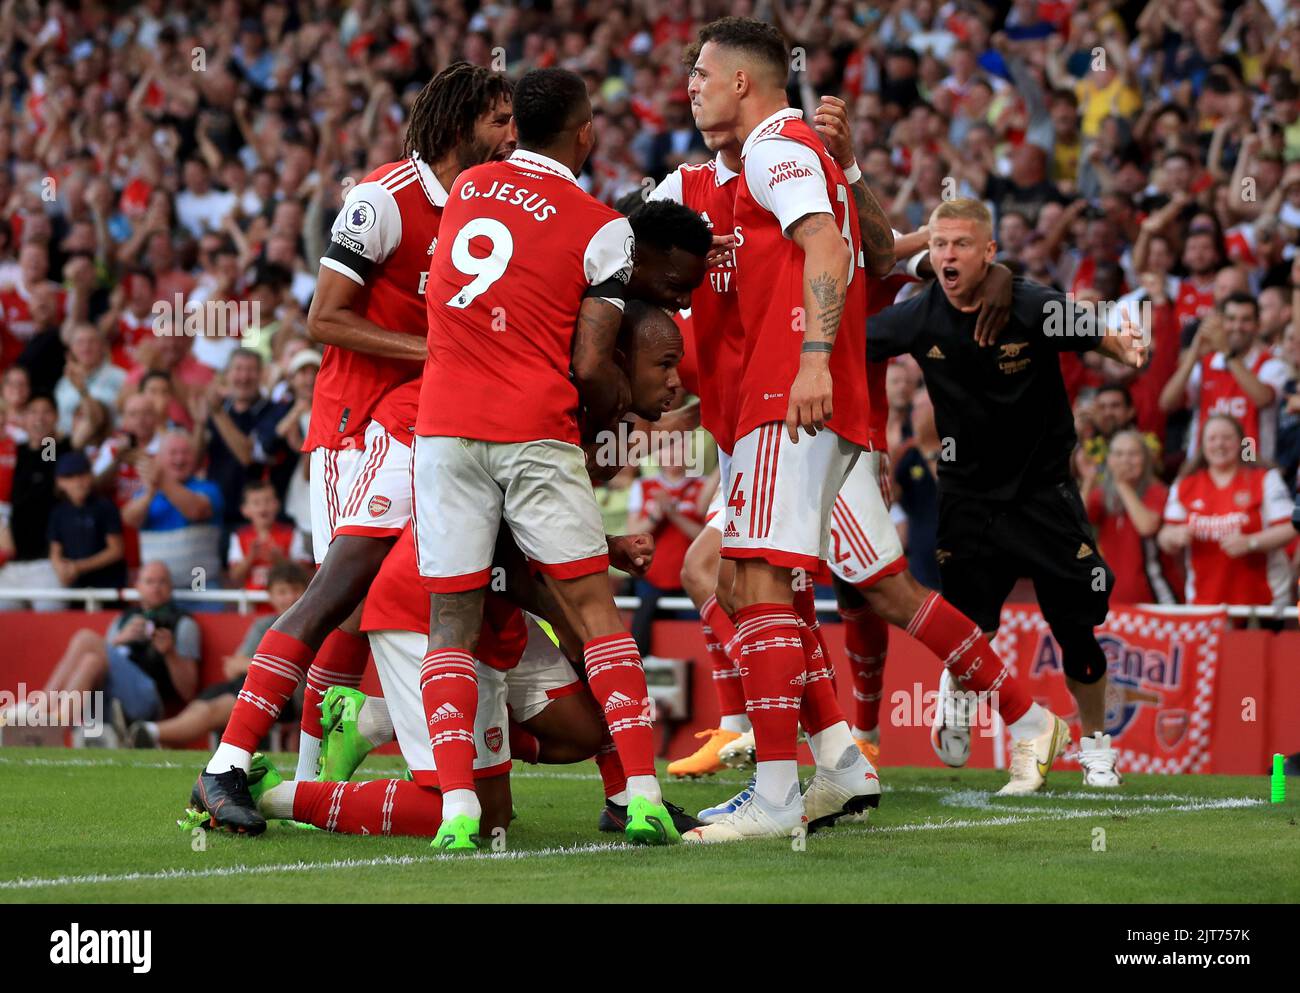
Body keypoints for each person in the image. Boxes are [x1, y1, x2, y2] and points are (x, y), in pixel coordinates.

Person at [191, 64, 518, 834]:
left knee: (349, 605)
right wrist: (438, 351)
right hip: (356, 424)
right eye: (499, 121)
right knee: (336, 597)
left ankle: (288, 782)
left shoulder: (485, 205)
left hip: (419, 418)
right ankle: (232, 763)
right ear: (458, 123)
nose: (512, 136)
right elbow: (324, 319)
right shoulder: (381, 201)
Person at [410, 67, 691, 850]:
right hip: (533, 425)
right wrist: (615, 412)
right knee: (595, 615)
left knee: (451, 623)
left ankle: (460, 812)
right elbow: (595, 359)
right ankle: (640, 796)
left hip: (444, 427)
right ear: (586, 132)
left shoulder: (466, 188)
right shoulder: (602, 223)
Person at [867, 197, 1147, 790]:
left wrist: (1127, 347)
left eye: (962, 245)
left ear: (989, 251)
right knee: (971, 622)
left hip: (1044, 492)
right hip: (967, 493)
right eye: (940, 244)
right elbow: (858, 317)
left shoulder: (1030, 303)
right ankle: (959, 691)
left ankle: (1096, 746)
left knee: (1076, 631)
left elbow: (1097, 336)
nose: (948, 255)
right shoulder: (918, 316)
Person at [129, 563, 310, 749]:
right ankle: (153, 735)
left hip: (283, 698)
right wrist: (262, 667)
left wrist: (251, 665)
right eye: (282, 592)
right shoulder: (263, 625)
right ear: (271, 596)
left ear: (307, 592)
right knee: (204, 703)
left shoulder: (313, 627)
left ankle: (151, 732)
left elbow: (296, 675)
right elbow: (231, 668)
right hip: (249, 685)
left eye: (295, 590)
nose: (289, 597)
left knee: (215, 709)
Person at [43, 562, 200, 732]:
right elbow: (105, 657)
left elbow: (189, 691)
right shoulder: (123, 619)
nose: (156, 588)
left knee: (85, 638)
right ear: (138, 586)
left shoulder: (183, 623)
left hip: (149, 699)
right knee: (91, 661)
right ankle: (57, 723)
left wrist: (170, 654)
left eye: (162, 582)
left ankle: (40, 706)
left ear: (170, 587)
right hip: (111, 697)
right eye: (149, 582)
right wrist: (121, 639)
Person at [1157, 414, 1296, 607]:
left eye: (1227, 438)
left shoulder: (1265, 478)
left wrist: (1251, 543)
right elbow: (1164, 536)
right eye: (1212, 438)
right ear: (1202, 445)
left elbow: (1290, 528)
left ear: (1241, 443)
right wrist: (1173, 536)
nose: (1219, 444)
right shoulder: (1184, 484)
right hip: (1204, 602)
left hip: (1263, 601)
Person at [1159, 293, 1290, 462]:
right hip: (1205, 466)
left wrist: (1227, 352)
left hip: (1250, 463)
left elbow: (1262, 399)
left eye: (1246, 320)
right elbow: (1166, 403)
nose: (1237, 326)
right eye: (1231, 319)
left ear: (1257, 325)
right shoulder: (1206, 365)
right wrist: (1194, 352)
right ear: (1222, 323)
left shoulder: (1271, 365)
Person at [1081, 428, 1180, 605]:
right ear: (1109, 460)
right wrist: (1088, 480)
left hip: (1155, 598)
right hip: (1112, 598)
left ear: (1145, 460)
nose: (1125, 460)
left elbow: (1147, 526)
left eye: (1133, 454)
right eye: (1118, 454)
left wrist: (1121, 483)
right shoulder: (1103, 493)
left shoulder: (1157, 491)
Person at [121, 430, 224, 591]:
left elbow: (196, 510)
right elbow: (129, 518)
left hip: (200, 586)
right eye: (173, 453)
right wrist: (150, 493)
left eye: (186, 453)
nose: (179, 458)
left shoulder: (208, 488)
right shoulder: (148, 492)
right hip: (159, 590)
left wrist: (161, 480)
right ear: (159, 458)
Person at [0, 396, 67, 610]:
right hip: (10, 564)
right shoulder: (13, 451)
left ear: (56, 417)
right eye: (33, 412)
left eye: (46, 412)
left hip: (45, 563)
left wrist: (49, 441)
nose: (39, 418)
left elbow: (46, 480)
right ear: (23, 417)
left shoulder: (52, 448)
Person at [47, 450, 127, 592]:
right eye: (69, 477)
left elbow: (116, 550)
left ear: (90, 476)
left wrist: (78, 567)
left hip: (106, 586)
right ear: (59, 482)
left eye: (82, 475)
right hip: (75, 587)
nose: (77, 482)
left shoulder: (105, 507)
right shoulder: (58, 513)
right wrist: (61, 569)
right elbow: (55, 551)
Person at [226, 479, 311, 593]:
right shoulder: (239, 536)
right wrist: (250, 557)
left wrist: (281, 560)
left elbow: (305, 572)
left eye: (268, 501)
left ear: (277, 504)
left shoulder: (292, 534)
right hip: (253, 605)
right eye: (256, 503)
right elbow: (234, 576)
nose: (263, 507)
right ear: (245, 510)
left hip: (286, 604)